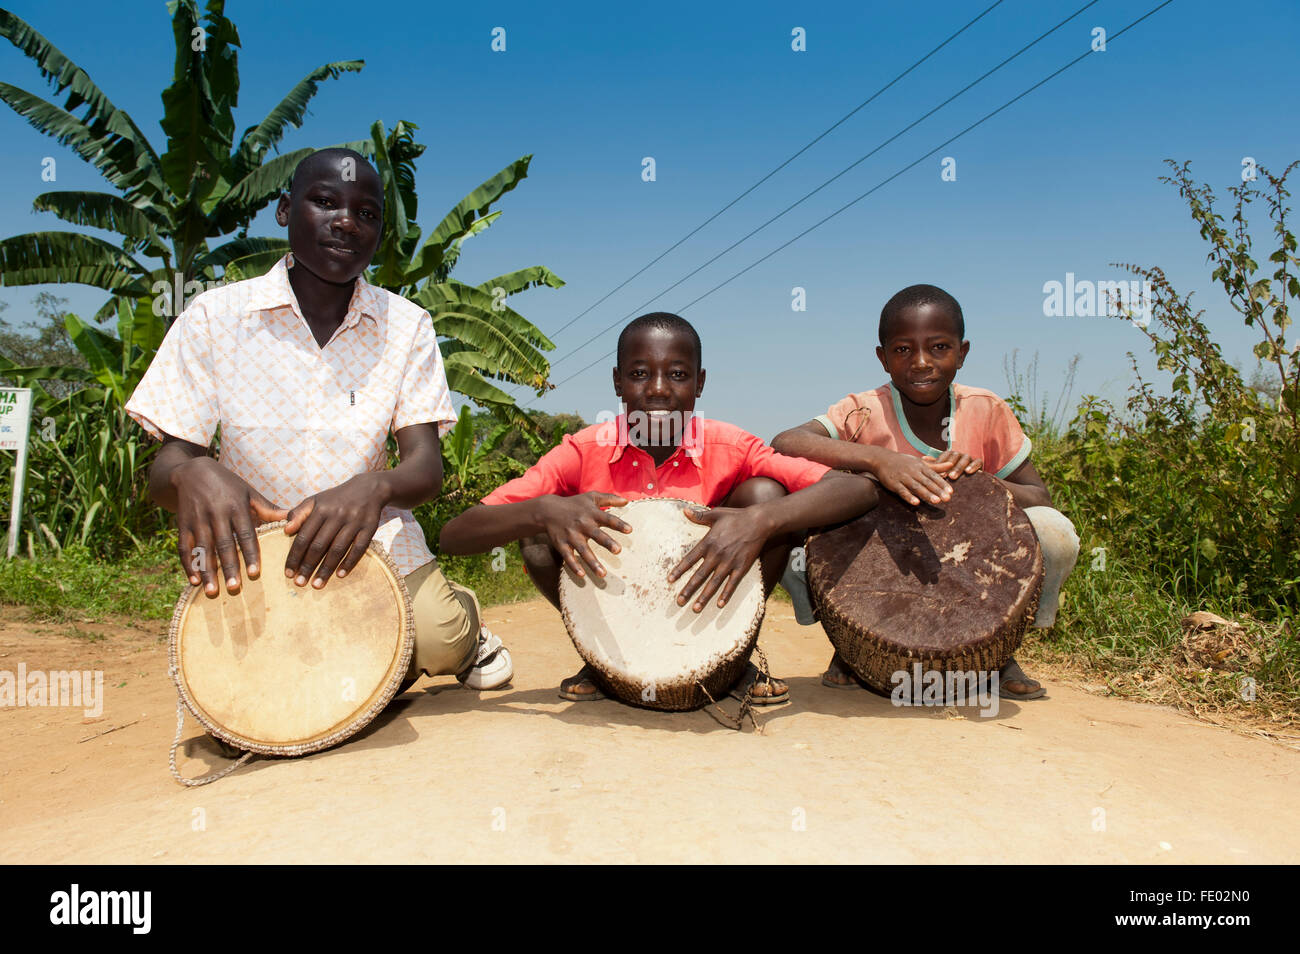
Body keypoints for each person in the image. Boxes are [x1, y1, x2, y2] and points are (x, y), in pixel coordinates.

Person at [125, 147, 512, 709]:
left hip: (371, 542)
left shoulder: (406, 326)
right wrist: (194, 474)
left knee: (435, 638)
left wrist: (373, 487)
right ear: (285, 211)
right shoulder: (213, 318)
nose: (347, 223)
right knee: (253, 692)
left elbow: (426, 468)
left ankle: (465, 626)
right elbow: (164, 473)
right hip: (253, 555)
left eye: (368, 213)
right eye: (325, 202)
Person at [439, 312, 879, 704]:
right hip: (617, 609)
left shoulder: (730, 445)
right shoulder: (583, 450)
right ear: (616, 381)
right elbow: (455, 535)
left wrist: (761, 521)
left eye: (677, 375)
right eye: (639, 374)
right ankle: (605, 659)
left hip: (705, 603)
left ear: (700, 383)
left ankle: (731, 659)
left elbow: (855, 492)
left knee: (765, 495)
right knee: (537, 526)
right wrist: (543, 511)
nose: (657, 390)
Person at [771, 284, 1080, 700]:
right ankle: (848, 642)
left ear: (962, 352)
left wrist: (981, 482)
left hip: (967, 566)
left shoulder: (986, 410)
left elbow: (1039, 498)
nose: (921, 362)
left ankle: (1002, 650)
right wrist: (879, 461)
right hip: (884, 568)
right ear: (882, 357)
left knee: (1054, 531)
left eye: (938, 347)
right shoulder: (864, 412)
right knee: (789, 527)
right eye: (902, 350)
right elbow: (787, 441)